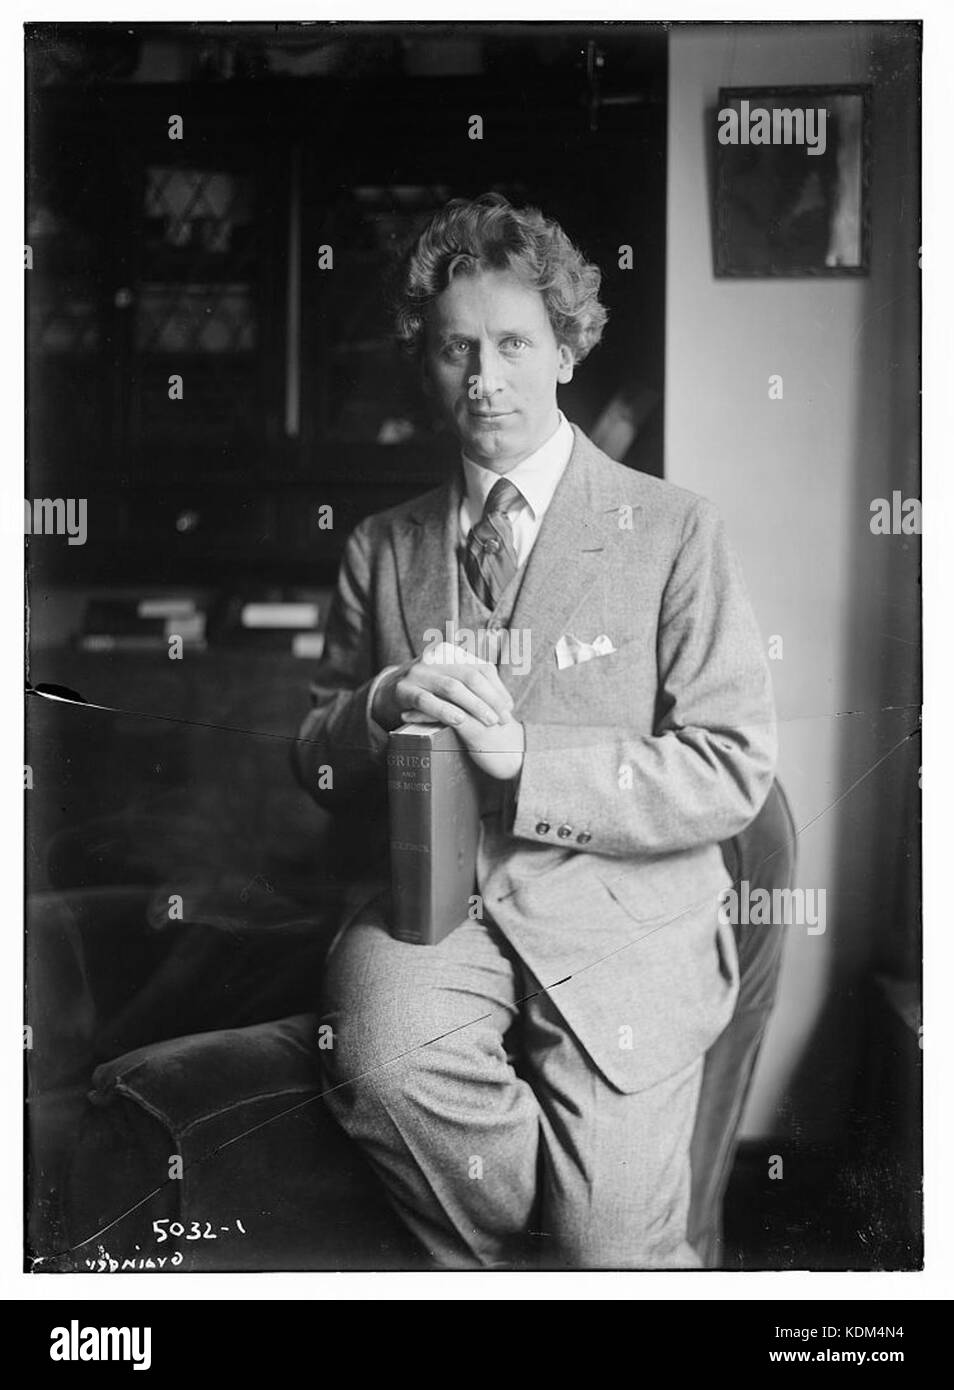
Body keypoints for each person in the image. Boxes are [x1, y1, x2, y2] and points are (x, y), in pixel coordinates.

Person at [294, 192, 777, 1270]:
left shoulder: (674, 529)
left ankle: (578, 1256)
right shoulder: (382, 546)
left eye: (513, 343)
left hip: (624, 919)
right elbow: (313, 755)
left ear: (566, 347)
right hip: (435, 911)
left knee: (608, 1253)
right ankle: (542, 1263)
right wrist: (375, 705)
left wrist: (530, 764)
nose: (484, 377)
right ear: (425, 362)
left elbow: (732, 769)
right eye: (454, 348)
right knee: (376, 1061)